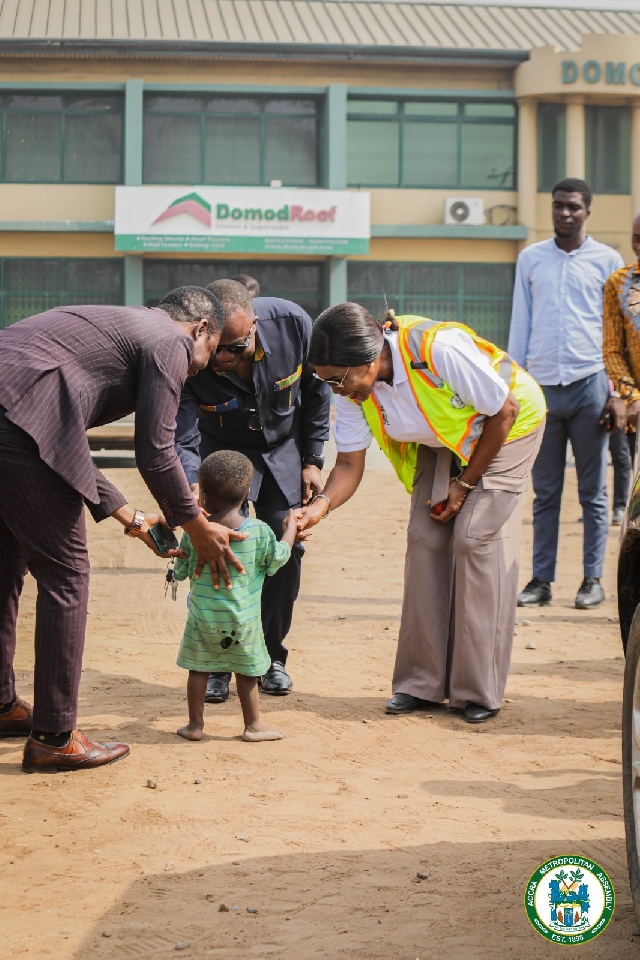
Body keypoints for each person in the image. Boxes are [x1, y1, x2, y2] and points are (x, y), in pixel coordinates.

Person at [0, 287, 250, 773]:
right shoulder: (168, 342)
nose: (206, 365)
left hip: (16, 413)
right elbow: (156, 452)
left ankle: (0, 706)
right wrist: (196, 525)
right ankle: (54, 737)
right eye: (215, 348)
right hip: (20, 419)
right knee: (66, 573)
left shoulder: (116, 327)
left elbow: (53, 438)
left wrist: (133, 519)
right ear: (200, 329)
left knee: (5, 564)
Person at [295, 305, 546, 724]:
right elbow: (348, 465)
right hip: (442, 439)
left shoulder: (437, 350)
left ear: (371, 357)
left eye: (338, 378)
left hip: (508, 427)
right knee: (425, 539)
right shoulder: (357, 391)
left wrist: (465, 484)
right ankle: (420, 684)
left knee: (474, 538)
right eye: (325, 381)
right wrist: (318, 508)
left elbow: (503, 412)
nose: (335, 390)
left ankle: (477, 689)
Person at [175, 279, 331, 702]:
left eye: (235, 347)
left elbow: (317, 394)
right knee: (218, 549)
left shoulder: (294, 324)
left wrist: (313, 458)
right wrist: (192, 481)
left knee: (289, 549)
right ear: (204, 331)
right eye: (216, 348)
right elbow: (181, 432)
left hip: (282, 452)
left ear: (256, 326)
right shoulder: (186, 348)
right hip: (221, 458)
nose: (222, 359)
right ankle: (220, 662)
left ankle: (270, 657)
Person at [509, 178, 624, 610]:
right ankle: (541, 580)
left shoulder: (607, 260)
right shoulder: (531, 259)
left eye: (573, 207)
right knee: (546, 493)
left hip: (590, 384)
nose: (565, 213)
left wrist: (616, 391)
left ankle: (592, 580)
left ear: (587, 212)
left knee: (593, 493)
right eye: (558, 206)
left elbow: (616, 334)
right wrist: (515, 385)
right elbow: (521, 323)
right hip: (540, 389)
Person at [174, 450, 296, 742]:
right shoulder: (259, 532)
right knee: (246, 673)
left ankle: (195, 725)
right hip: (245, 622)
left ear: (201, 495)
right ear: (247, 495)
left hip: (203, 620)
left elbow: (180, 570)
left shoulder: (195, 533)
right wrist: (290, 532)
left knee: (198, 670)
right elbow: (277, 559)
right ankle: (253, 725)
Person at [603, 211, 640, 519]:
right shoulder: (619, 283)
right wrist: (633, 396)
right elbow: (613, 350)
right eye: (636, 238)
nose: (639, 245)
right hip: (636, 410)